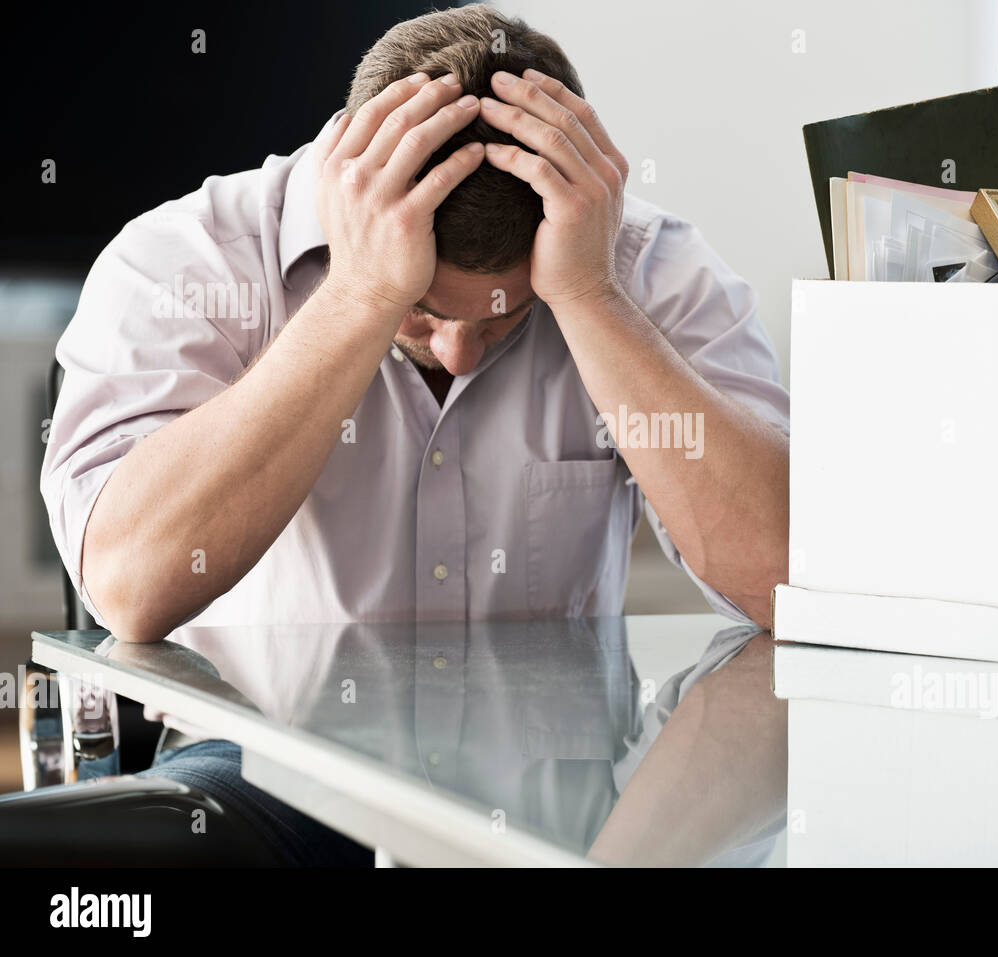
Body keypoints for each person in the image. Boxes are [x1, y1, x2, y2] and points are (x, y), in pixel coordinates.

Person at [38, 6, 789, 863]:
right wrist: (360, 296)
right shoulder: (188, 261)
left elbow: (789, 582)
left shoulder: (648, 269)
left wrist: (589, 297)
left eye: (507, 318)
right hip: (264, 797)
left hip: (558, 827)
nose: (462, 350)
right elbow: (129, 587)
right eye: (426, 314)